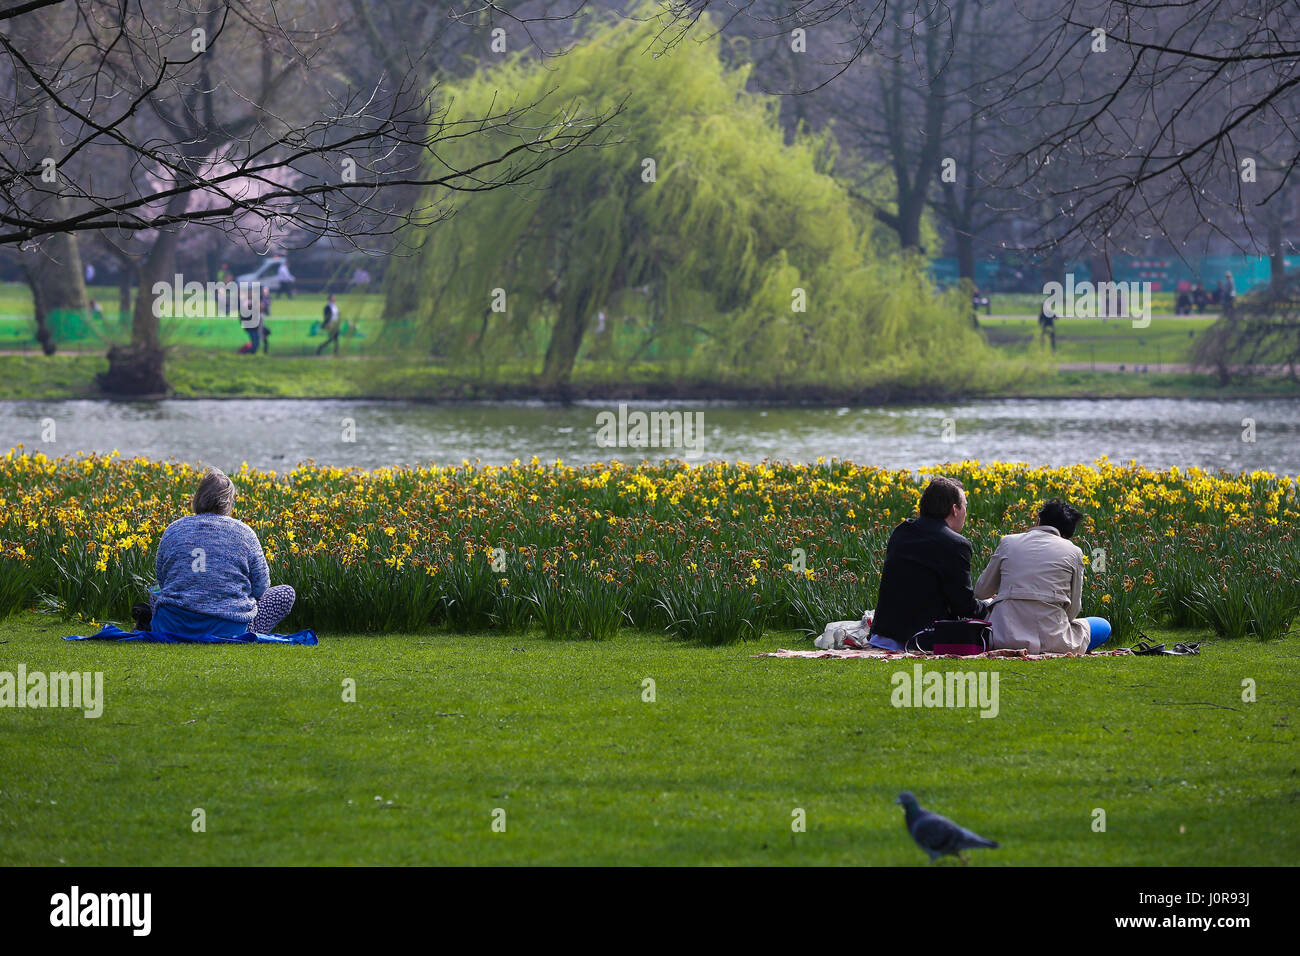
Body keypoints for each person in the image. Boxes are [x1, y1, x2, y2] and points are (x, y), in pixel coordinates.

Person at [133, 467, 295, 637]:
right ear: (228, 501)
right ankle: (248, 631)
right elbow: (261, 588)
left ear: (197, 498)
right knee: (286, 593)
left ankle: (150, 622)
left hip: (173, 624)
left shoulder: (174, 529)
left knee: (157, 591)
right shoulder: (245, 532)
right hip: (228, 627)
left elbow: (163, 579)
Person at [868, 476, 990, 650]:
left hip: (884, 635)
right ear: (955, 509)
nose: (965, 512)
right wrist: (988, 607)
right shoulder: (955, 544)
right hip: (921, 639)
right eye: (965, 506)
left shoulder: (902, 531)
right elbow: (963, 606)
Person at [974, 499, 1110, 654]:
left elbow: (981, 591)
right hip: (1053, 641)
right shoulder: (1074, 552)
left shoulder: (1008, 542)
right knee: (1103, 625)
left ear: (1038, 521)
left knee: (988, 603)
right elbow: (1073, 610)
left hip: (1003, 638)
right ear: (1066, 535)